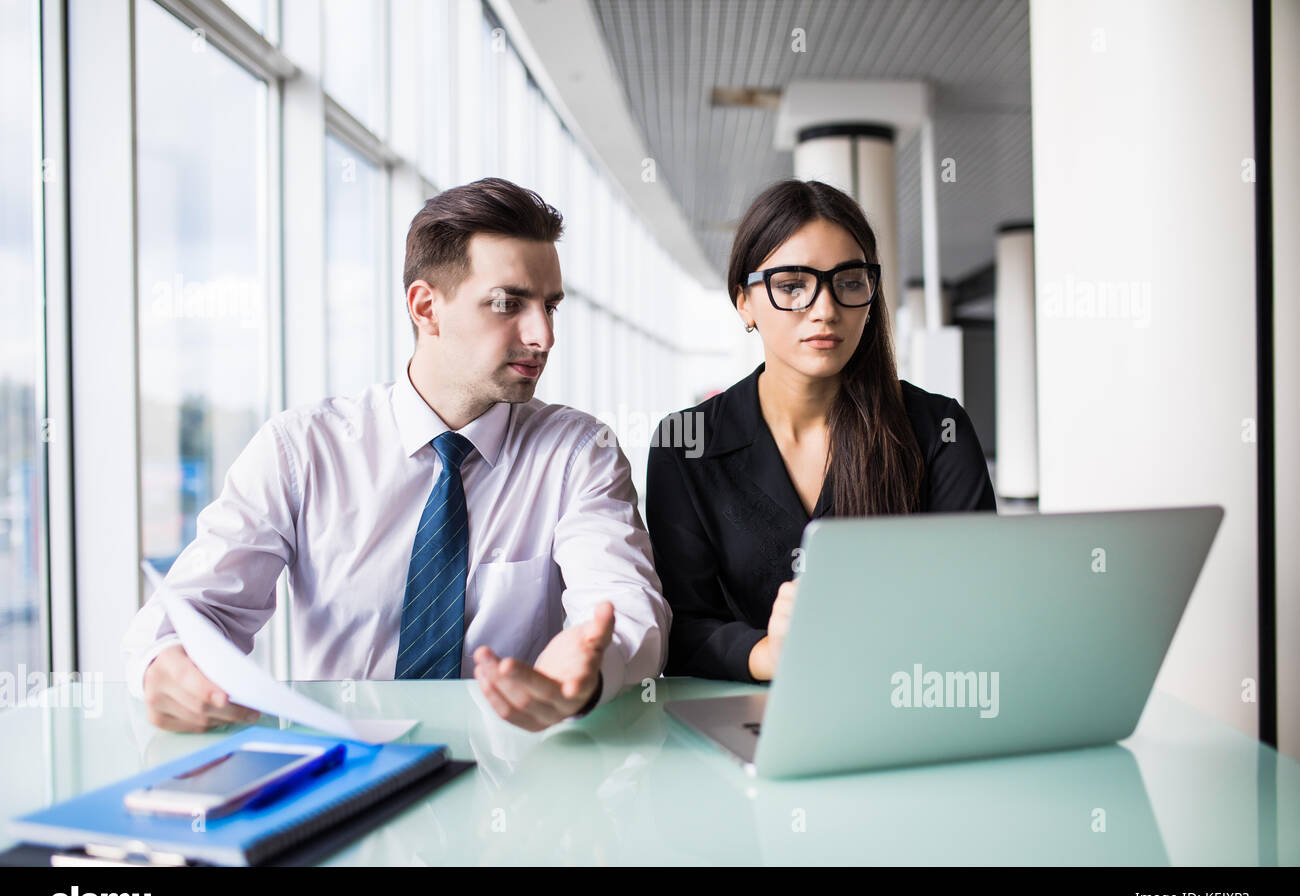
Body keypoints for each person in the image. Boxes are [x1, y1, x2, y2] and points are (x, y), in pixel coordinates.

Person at [124, 177, 669, 733]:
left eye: (550, 306)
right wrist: (164, 662)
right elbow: (195, 609)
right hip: (349, 773)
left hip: (517, 774)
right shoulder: (302, 450)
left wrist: (587, 670)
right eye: (509, 303)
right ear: (425, 307)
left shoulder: (578, 452)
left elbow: (625, 606)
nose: (543, 335)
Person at [645, 179, 996, 684]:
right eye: (792, 285)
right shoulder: (686, 446)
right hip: (752, 714)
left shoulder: (937, 430)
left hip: (911, 701)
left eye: (849, 282)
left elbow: (979, 602)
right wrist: (768, 654)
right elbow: (681, 626)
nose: (826, 309)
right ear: (744, 301)